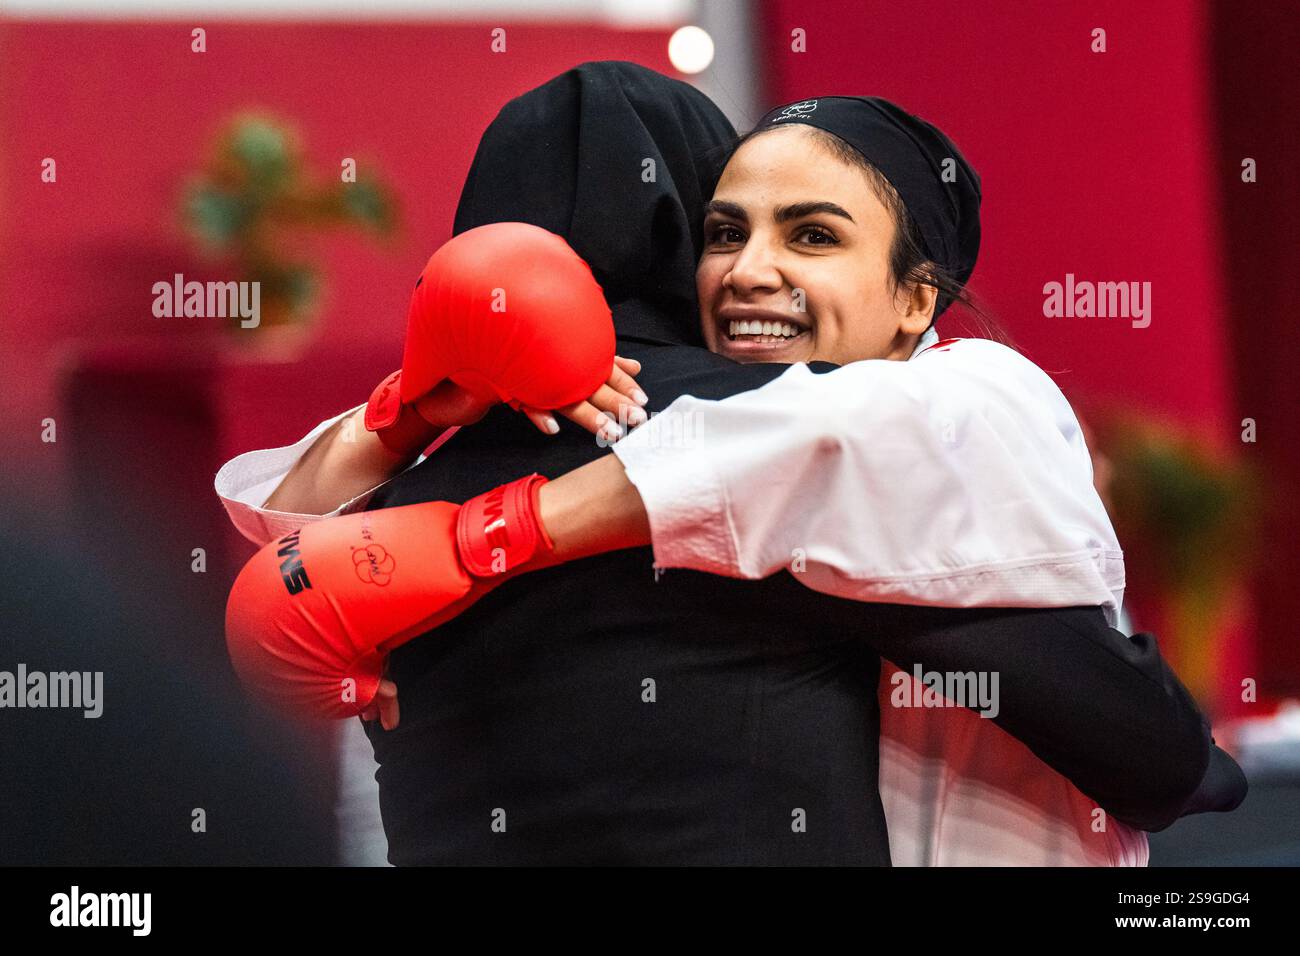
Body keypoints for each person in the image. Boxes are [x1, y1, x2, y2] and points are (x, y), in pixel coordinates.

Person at [218, 63, 1241, 865]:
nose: (751, 269)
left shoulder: (379, 507)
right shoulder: (809, 457)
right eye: (722, 229)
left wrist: (459, 501)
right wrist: (1198, 771)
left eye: (810, 234)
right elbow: (1137, 741)